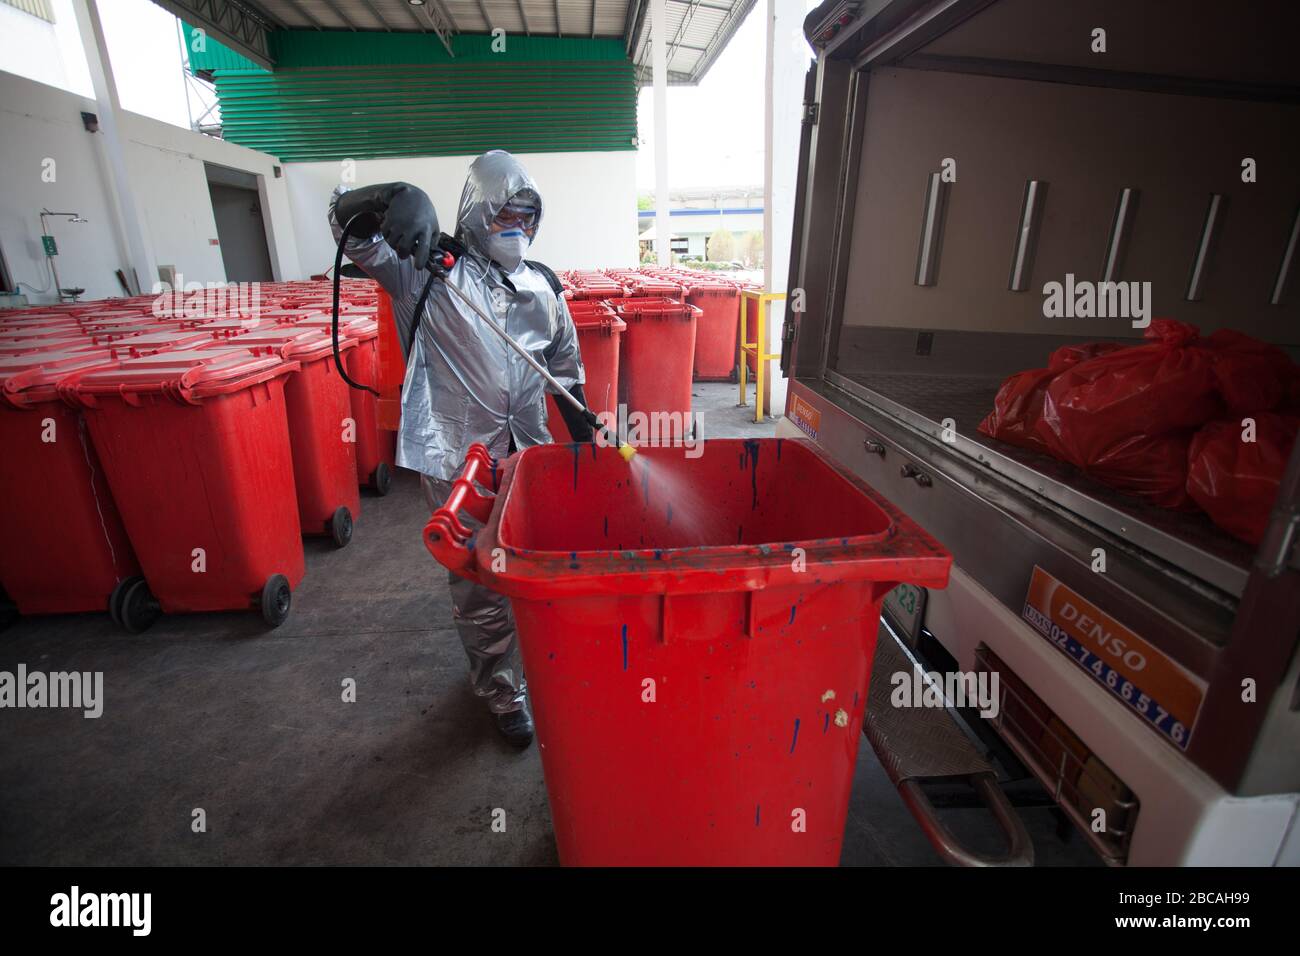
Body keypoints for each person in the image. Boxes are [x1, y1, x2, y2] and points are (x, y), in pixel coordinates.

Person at [328, 150, 594, 748]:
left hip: (530, 458)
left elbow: (566, 372)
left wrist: (587, 442)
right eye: (505, 214)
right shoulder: (423, 272)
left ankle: (548, 665)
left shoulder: (543, 285)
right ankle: (502, 692)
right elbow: (349, 230)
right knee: (479, 581)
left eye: (527, 217)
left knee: (538, 567)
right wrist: (389, 198)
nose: (516, 228)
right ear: (477, 213)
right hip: (460, 461)